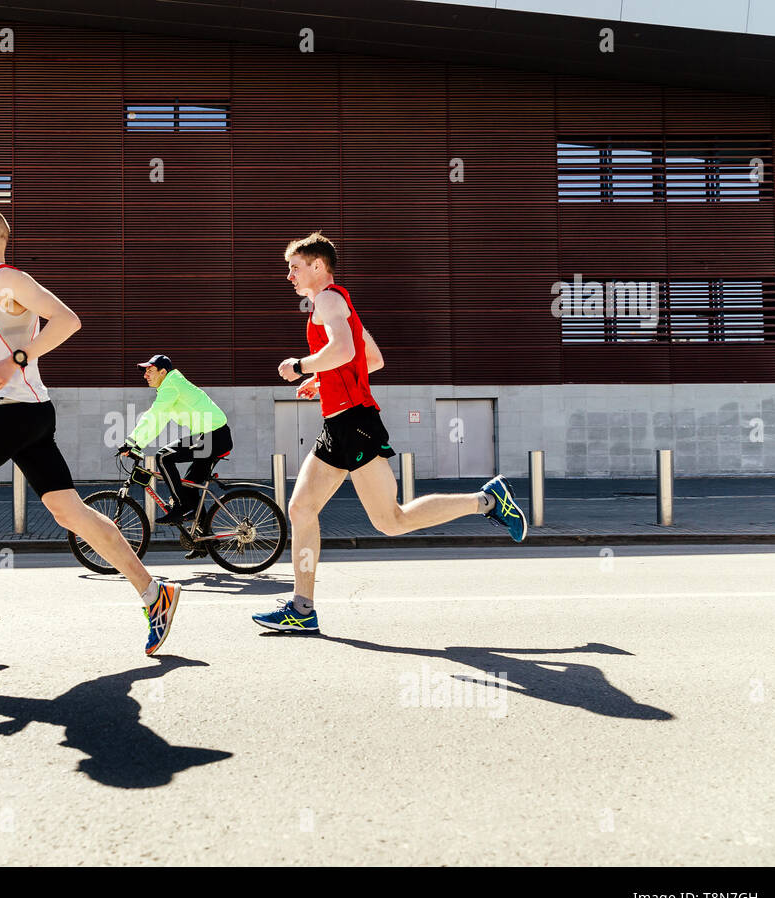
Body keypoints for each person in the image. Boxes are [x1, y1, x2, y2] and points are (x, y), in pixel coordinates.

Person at [0, 207, 180, 656]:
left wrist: (17, 359)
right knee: (70, 513)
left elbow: (67, 321)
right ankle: (156, 594)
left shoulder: (7, 279)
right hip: (29, 413)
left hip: (17, 414)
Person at [252, 232, 528, 634]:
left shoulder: (328, 299)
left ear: (317, 266)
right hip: (339, 421)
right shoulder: (341, 303)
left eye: (294, 267)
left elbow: (345, 352)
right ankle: (302, 606)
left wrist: (301, 365)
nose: (289, 275)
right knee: (301, 509)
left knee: (391, 521)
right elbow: (372, 360)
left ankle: (486, 500)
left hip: (354, 423)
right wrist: (323, 381)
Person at [119, 355, 232, 559]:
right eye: (144, 371)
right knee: (189, 486)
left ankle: (180, 507)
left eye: (149, 371)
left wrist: (131, 441)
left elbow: (154, 415)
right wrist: (137, 443)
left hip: (213, 436)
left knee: (163, 457)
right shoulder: (170, 388)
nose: (145, 375)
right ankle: (203, 541)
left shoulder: (172, 384)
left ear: (163, 372)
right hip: (210, 435)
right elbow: (157, 421)